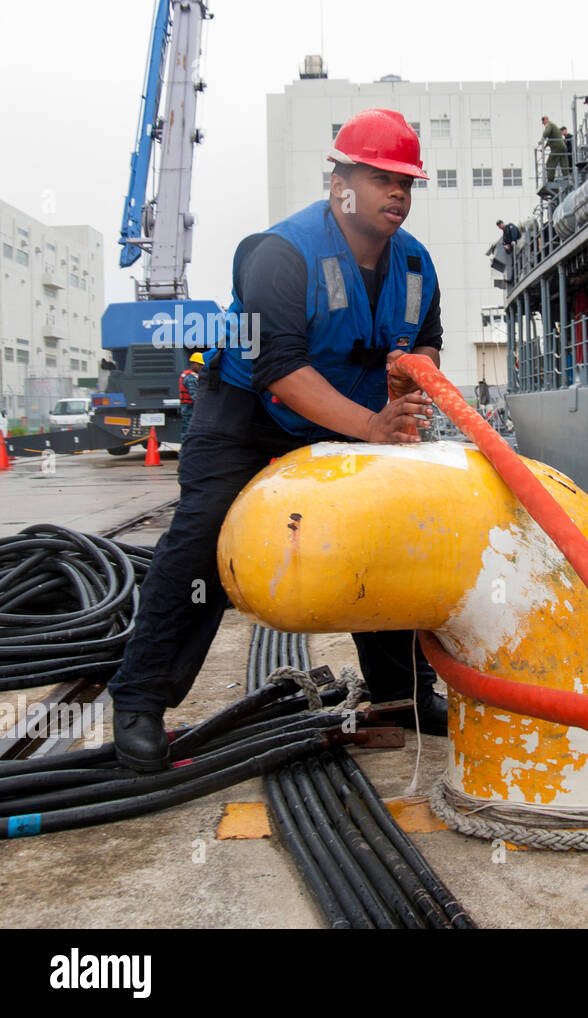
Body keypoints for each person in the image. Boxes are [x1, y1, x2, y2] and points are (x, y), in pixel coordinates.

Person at [109, 109, 448, 772]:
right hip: (245, 413)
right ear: (339, 180)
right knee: (205, 534)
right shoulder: (281, 255)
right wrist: (373, 426)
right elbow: (281, 370)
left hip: (344, 413)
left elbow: (428, 336)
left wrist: (413, 384)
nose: (397, 193)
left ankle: (403, 694)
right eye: (381, 177)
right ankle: (140, 702)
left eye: (407, 181)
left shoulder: (415, 265)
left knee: (376, 535)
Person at [178, 352, 202, 444]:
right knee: (188, 432)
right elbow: (194, 396)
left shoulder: (191, 376)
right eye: (200, 365)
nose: (202, 367)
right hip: (189, 408)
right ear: (194, 364)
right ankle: (184, 454)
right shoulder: (190, 378)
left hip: (188, 407)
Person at [539, 115, 566, 182]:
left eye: (543, 121)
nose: (543, 123)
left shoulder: (549, 125)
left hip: (556, 148)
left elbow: (546, 133)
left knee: (549, 163)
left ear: (546, 120)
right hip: (562, 147)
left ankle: (550, 180)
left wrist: (541, 140)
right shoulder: (554, 127)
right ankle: (566, 178)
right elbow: (550, 140)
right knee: (564, 164)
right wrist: (544, 148)